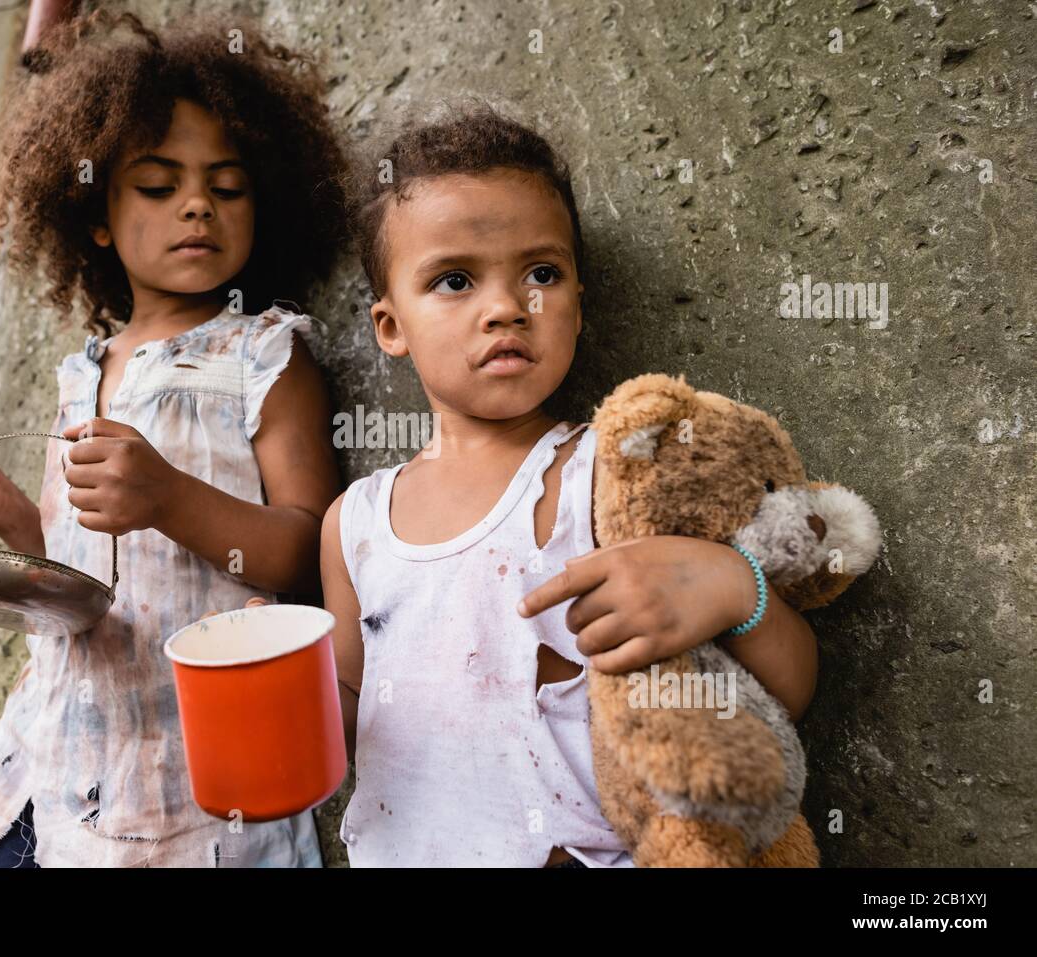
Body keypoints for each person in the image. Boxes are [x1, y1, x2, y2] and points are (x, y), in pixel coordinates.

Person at [0, 11, 345, 866]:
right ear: (94, 215)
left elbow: (310, 553)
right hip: (43, 767)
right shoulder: (81, 374)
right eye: (157, 184)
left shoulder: (264, 354)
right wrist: (4, 511)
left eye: (228, 184)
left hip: (183, 791)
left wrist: (171, 498)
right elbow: (75, 580)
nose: (198, 204)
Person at [320, 101, 820, 867]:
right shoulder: (354, 523)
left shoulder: (615, 474)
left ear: (579, 307)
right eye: (454, 280)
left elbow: (787, 691)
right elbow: (350, 710)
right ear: (391, 326)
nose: (505, 308)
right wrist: (285, 685)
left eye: (542, 274)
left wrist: (731, 584)